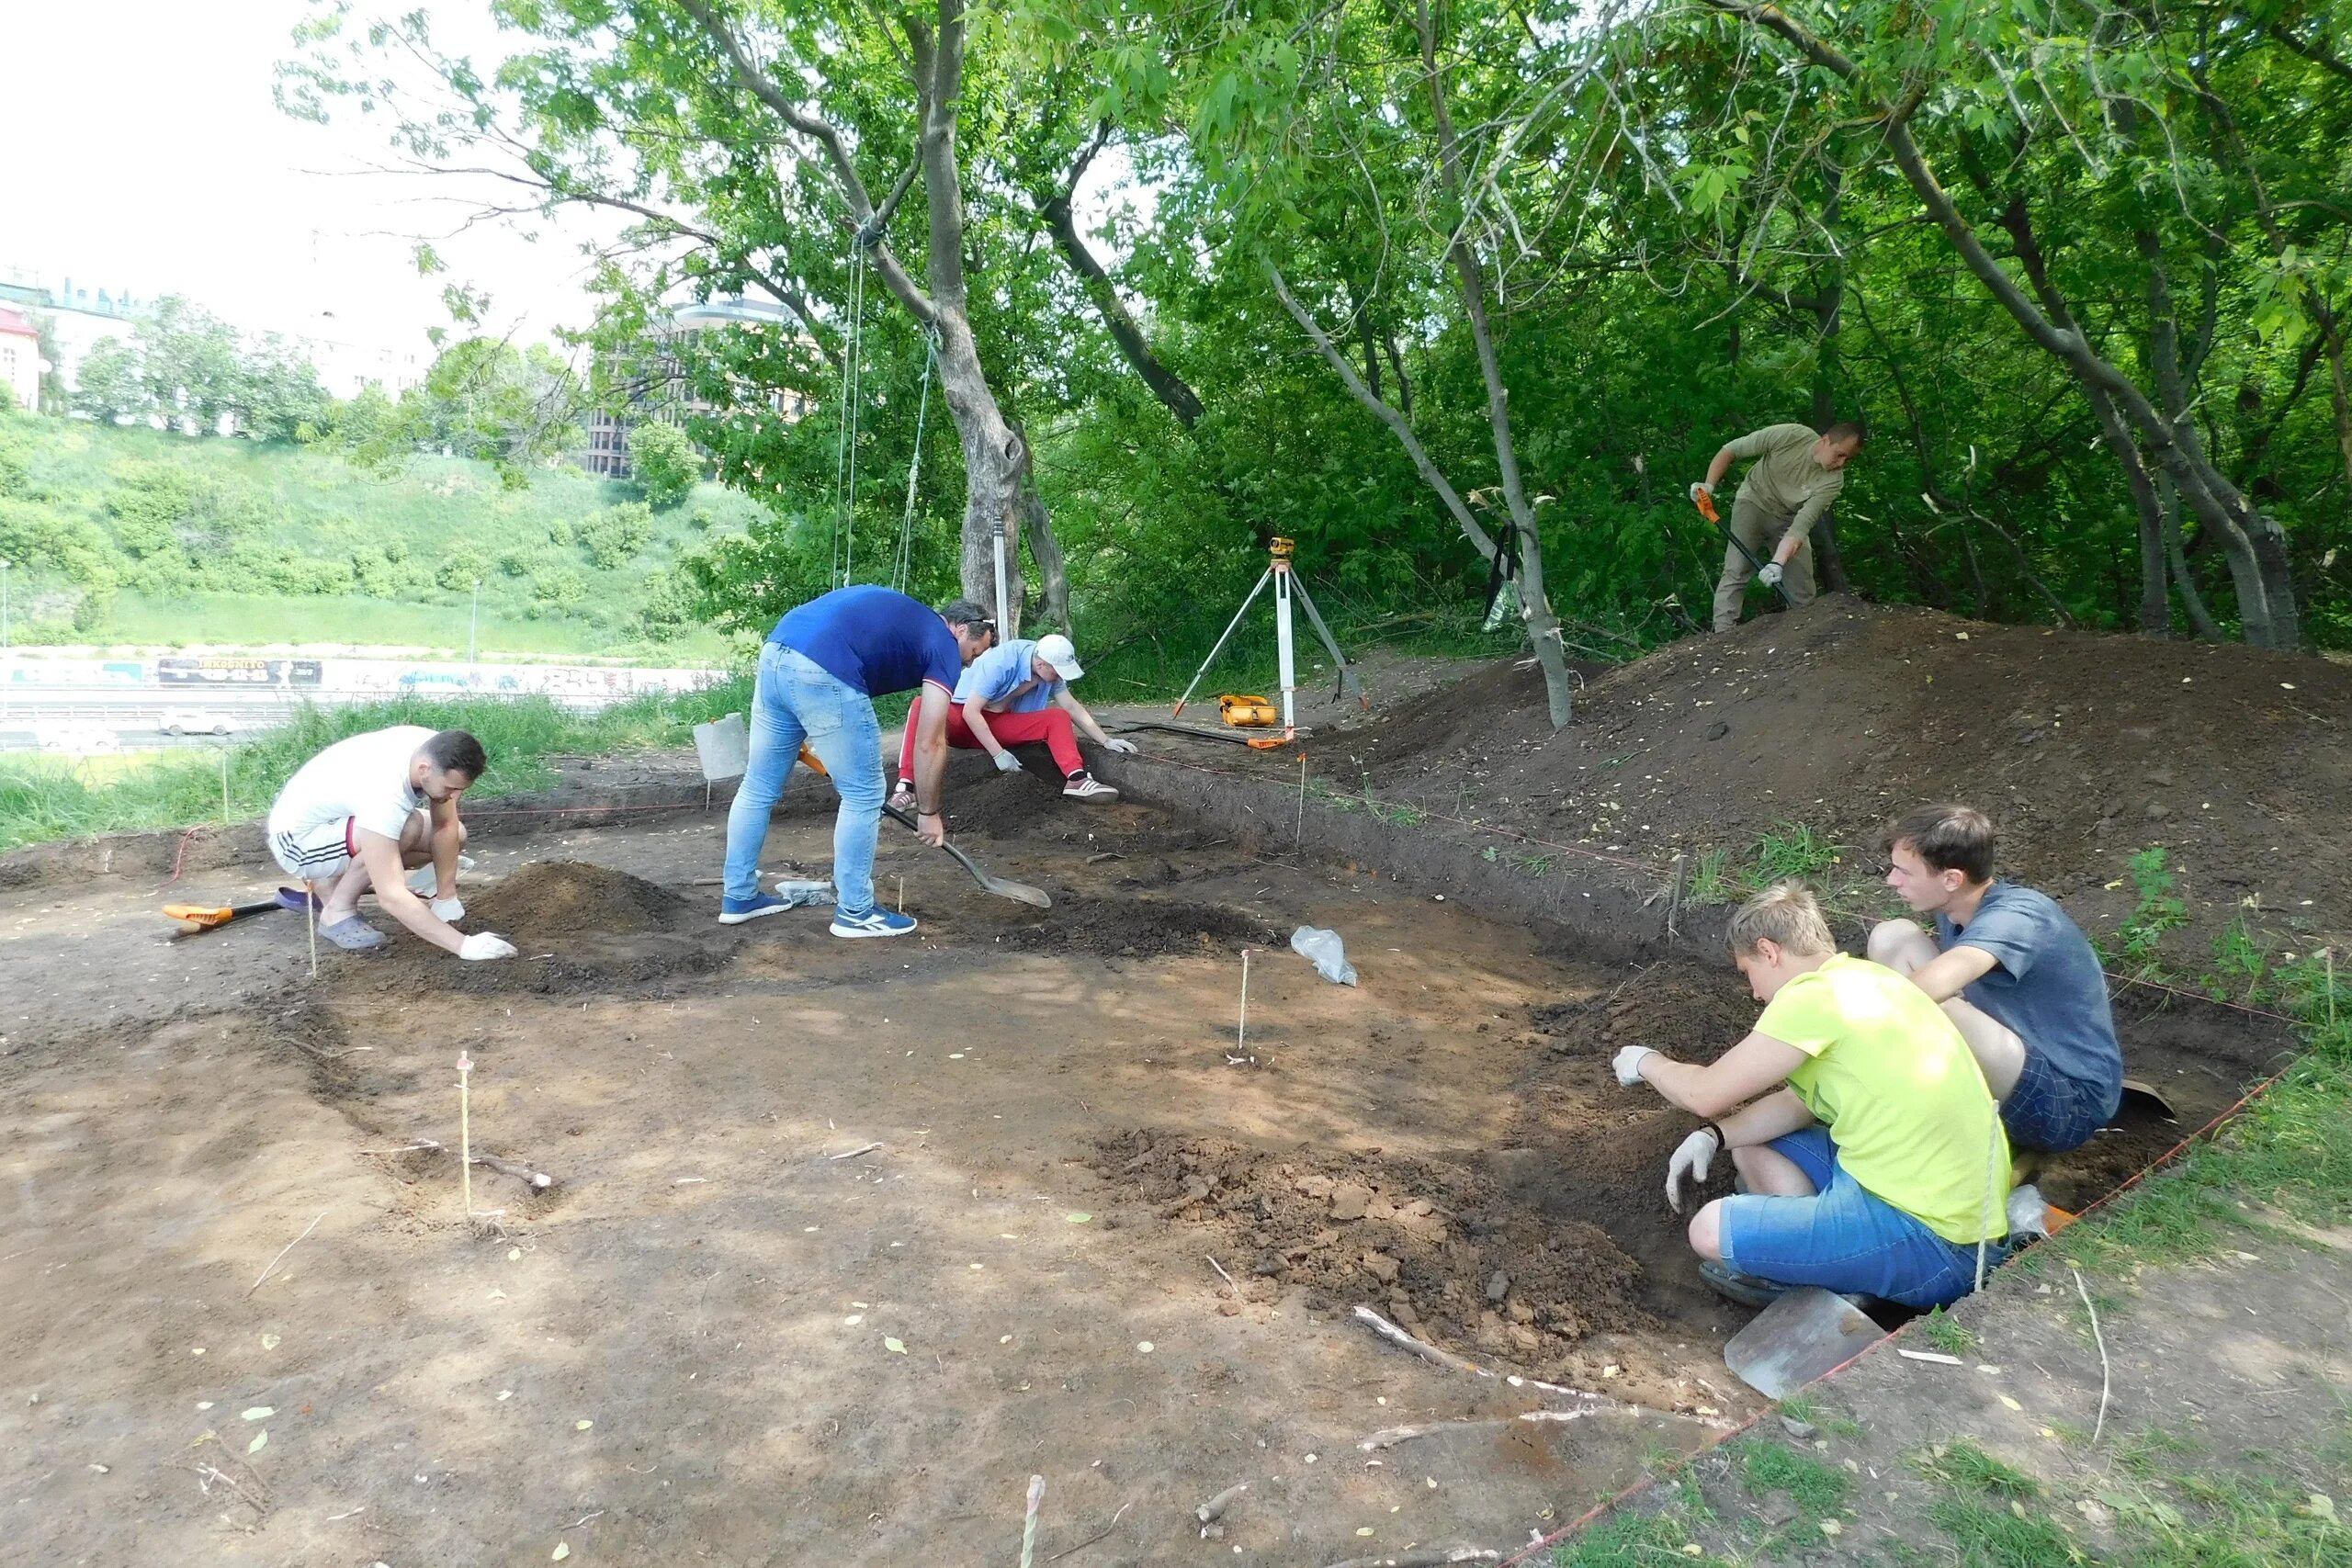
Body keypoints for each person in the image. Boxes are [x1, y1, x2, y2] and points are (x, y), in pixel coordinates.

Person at [1613, 881, 2009, 1309]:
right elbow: (1797, 1102)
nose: (1755, 992)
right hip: (1952, 1212)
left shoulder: (1812, 999)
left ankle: (1837, 1278)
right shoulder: (1871, 979)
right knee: (1749, 1144)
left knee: (1707, 1230)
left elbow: (1704, 1092)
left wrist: (1646, 1062)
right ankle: (1826, 1258)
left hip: (1932, 1240)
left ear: (1770, 951)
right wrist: (1713, 1136)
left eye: (1749, 973)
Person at [718, 584, 995, 936]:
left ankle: (739, 896)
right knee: (864, 793)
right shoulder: (941, 642)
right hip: (824, 666)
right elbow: (931, 741)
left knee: (758, 786)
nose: (969, 662)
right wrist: (929, 813)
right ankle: (856, 911)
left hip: (778, 653)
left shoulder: (909, 620)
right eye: (974, 651)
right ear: (958, 628)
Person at [1868, 804, 2124, 1155]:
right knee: (1892, 936)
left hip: (2069, 1104)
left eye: (1904, 872)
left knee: (1932, 1004)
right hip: (2017, 1070)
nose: (1891, 880)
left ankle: (1906, 1100)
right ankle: (1920, 1098)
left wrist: (1846, 1013)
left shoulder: (2018, 916)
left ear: (1951, 879)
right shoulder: (1957, 906)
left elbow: (1940, 981)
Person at [266, 726, 515, 960]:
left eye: (461, 789)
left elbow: (446, 826)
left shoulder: (437, 749)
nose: (455, 796)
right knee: (408, 827)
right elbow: (391, 895)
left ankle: (337, 877)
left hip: (340, 820)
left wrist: (445, 897)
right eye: (451, 788)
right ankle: (336, 911)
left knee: (456, 834)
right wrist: (463, 945)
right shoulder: (384, 796)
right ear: (424, 770)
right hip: (298, 842)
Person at [888, 631, 1134, 811]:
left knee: (1057, 717)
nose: (1058, 678)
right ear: (1040, 663)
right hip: (961, 720)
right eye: (1057, 672)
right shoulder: (1004, 660)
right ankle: (906, 788)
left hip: (997, 724)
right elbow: (970, 712)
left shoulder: (1047, 671)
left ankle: (1077, 779)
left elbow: (1069, 705)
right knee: (921, 705)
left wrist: (1106, 740)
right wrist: (998, 755)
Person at [1692, 420, 1864, 631]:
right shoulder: (1790, 435)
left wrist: (1777, 563)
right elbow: (1731, 450)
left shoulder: (1833, 481)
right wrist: (1708, 485)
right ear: (1825, 440)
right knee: (1736, 569)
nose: (1841, 463)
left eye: (1848, 459)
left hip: (1788, 519)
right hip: (1752, 502)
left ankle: (1805, 635)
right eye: (1840, 454)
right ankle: (1722, 633)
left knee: (1802, 587)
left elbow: (1801, 526)